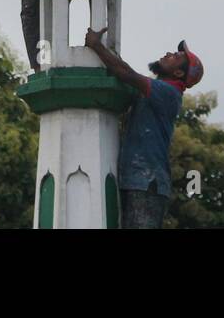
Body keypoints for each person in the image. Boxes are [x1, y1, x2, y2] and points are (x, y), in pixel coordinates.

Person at [84, 28, 204, 228]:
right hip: (140, 180)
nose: (169, 54)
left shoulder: (167, 92)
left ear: (178, 73)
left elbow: (126, 73)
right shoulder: (157, 91)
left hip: (147, 182)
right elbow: (125, 74)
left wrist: (96, 45)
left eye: (176, 56)